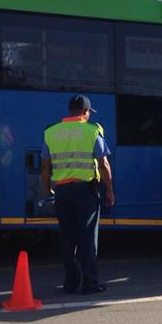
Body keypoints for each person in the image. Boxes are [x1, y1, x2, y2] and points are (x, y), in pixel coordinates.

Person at [41, 94, 115, 294]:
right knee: (87, 238)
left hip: (62, 192)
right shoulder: (92, 131)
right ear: (84, 111)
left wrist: (48, 189)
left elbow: (45, 167)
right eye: (89, 112)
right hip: (85, 192)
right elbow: (103, 164)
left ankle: (71, 283)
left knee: (67, 238)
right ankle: (90, 283)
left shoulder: (51, 132)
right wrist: (109, 189)